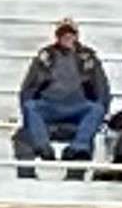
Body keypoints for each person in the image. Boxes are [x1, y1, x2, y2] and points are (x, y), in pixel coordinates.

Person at [13, 18, 109, 174]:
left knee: (97, 109)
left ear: (77, 35)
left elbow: (102, 87)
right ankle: (43, 146)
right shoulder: (46, 56)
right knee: (31, 106)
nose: (67, 37)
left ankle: (79, 147)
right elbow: (28, 88)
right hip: (49, 106)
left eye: (71, 33)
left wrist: (102, 106)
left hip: (78, 107)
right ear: (57, 36)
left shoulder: (88, 58)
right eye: (63, 33)